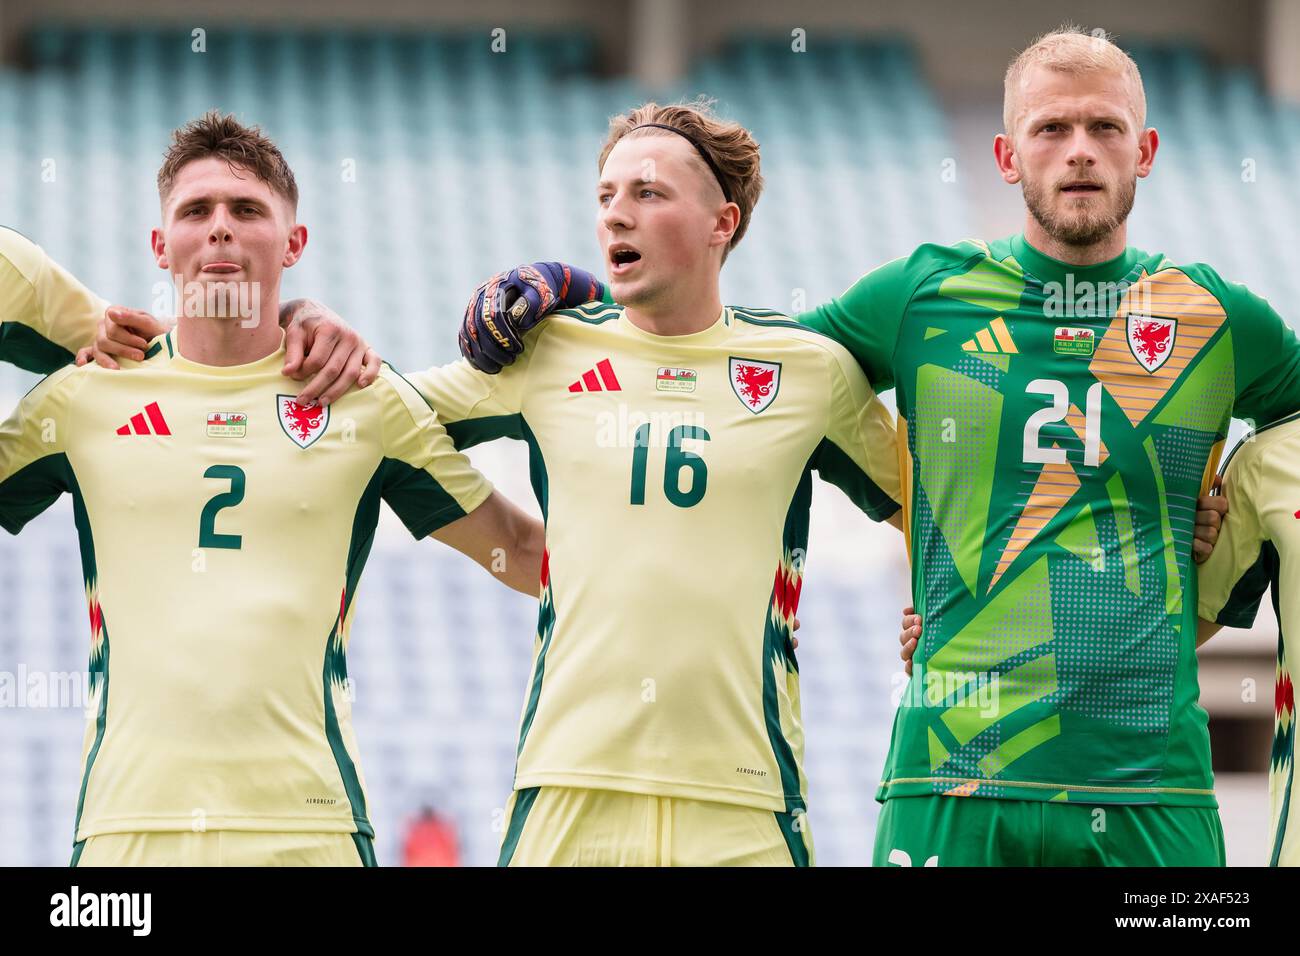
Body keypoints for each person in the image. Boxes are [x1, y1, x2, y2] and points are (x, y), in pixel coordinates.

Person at [459, 27, 1300, 865]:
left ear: (1144, 150)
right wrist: (583, 294)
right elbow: (731, 360)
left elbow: (1285, 453)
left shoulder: (1217, 319)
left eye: (1104, 128)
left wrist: (1221, 558)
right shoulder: (922, 295)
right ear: (1007, 156)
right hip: (949, 779)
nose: (1079, 152)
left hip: (1153, 788)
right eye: (1051, 129)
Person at [0, 111, 543, 866]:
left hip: (308, 832)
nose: (219, 228)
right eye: (196, 211)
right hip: (128, 834)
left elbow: (518, 550)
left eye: (246, 210)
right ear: (162, 245)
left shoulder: (364, 401)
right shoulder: (82, 400)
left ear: (294, 243)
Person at [414, 99, 903, 866]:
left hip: (745, 800)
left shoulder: (807, 371)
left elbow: (943, 508)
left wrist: (942, 616)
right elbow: (371, 419)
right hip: (568, 790)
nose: (616, 215)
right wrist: (300, 325)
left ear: (723, 223)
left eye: (648, 193)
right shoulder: (548, 353)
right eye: (606, 196)